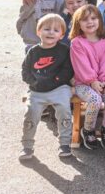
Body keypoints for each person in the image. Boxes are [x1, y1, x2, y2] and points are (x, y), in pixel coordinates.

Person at [20, 14, 74, 160]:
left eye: (56, 30)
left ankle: (64, 144)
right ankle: (27, 146)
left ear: (62, 35)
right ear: (38, 31)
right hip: (37, 89)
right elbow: (25, 69)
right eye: (47, 29)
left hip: (59, 87)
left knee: (64, 110)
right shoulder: (33, 51)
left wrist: (57, 80)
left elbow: (67, 70)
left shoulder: (64, 50)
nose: (51, 32)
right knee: (30, 113)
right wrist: (32, 81)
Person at [69, 4, 105, 149]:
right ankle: (88, 130)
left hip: (103, 80)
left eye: (93, 18)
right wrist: (92, 82)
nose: (90, 22)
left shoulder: (104, 41)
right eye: (84, 20)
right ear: (78, 23)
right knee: (95, 100)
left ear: (100, 20)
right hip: (83, 83)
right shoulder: (77, 43)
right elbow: (81, 65)